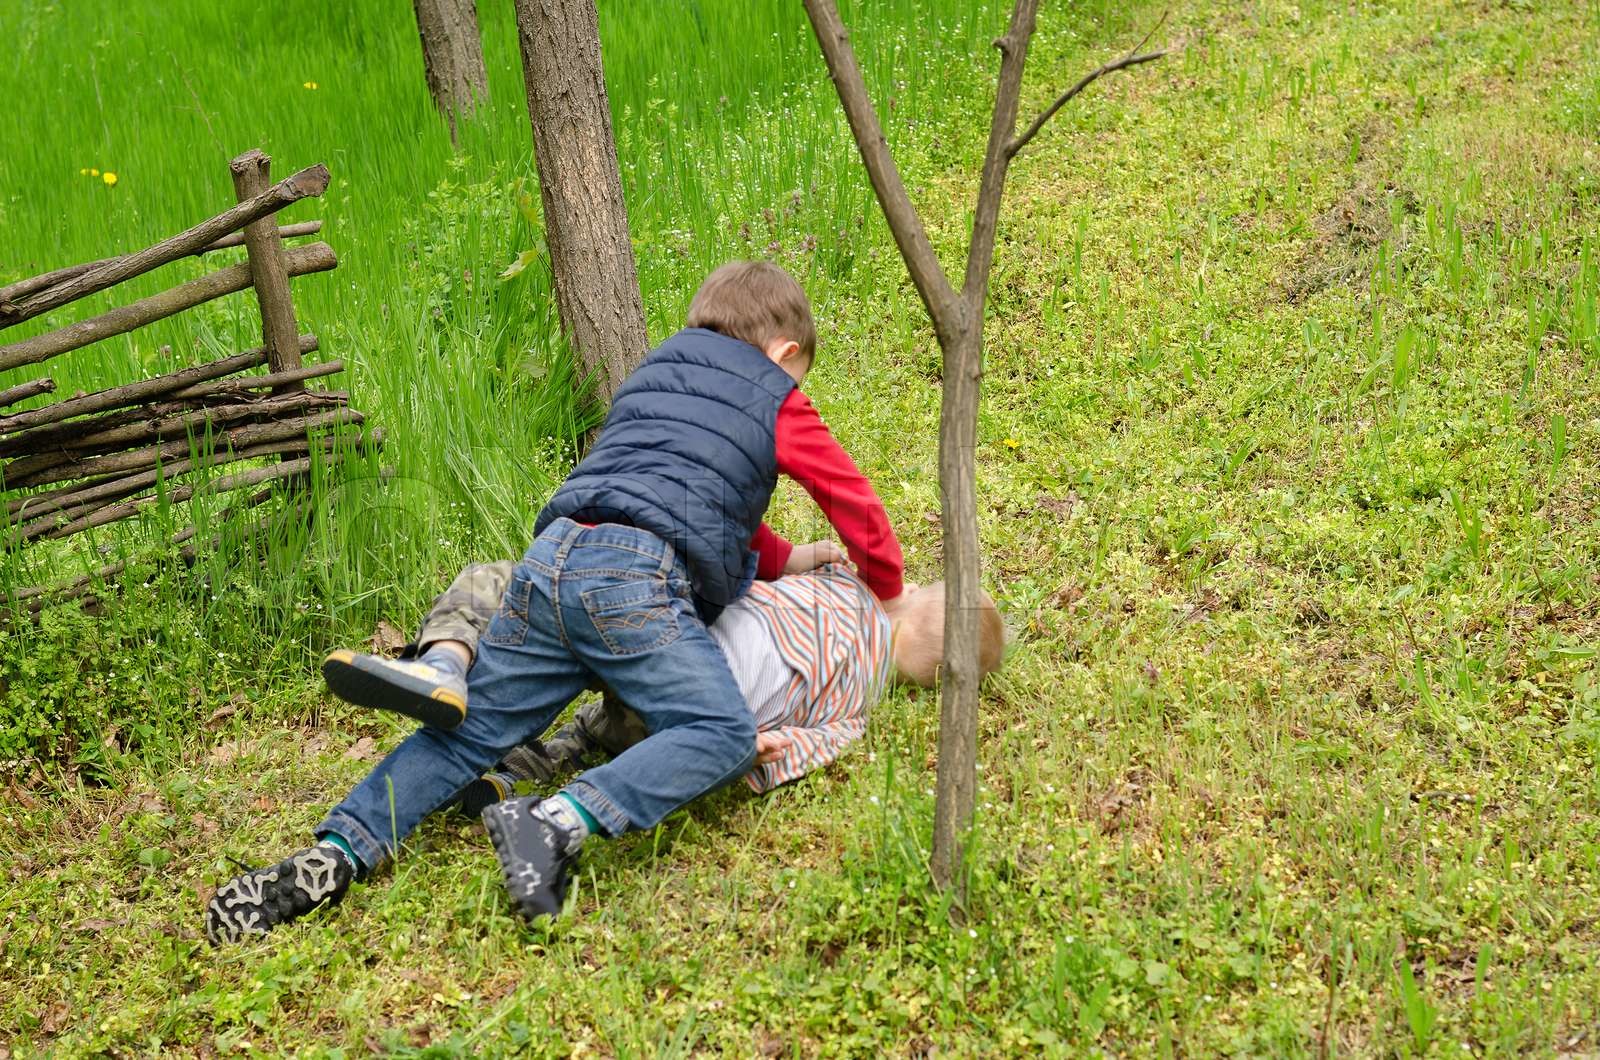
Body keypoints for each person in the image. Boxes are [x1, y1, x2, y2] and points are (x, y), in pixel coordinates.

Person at [205, 261, 909, 942]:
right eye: (798, 373)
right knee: (719, 733)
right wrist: (887, 589)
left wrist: (788, 560)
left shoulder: (655, 375)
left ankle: (337, 853)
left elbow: (691, 491)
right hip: (636, 582)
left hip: (553, 561)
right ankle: (557, 823)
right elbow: (853, 502)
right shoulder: (773, 393)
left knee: (468, 734)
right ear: (784, 353)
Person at [324, 559, 1006, 816]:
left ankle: (445, 660)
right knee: (605, 729)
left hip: (657, 639)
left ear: (909, 591)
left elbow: (747, 574)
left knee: (504, 585)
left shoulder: (840, 584)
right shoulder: (855, 707)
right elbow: (787, 750)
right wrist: (752, 748)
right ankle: (519, 777)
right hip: (693, 714)